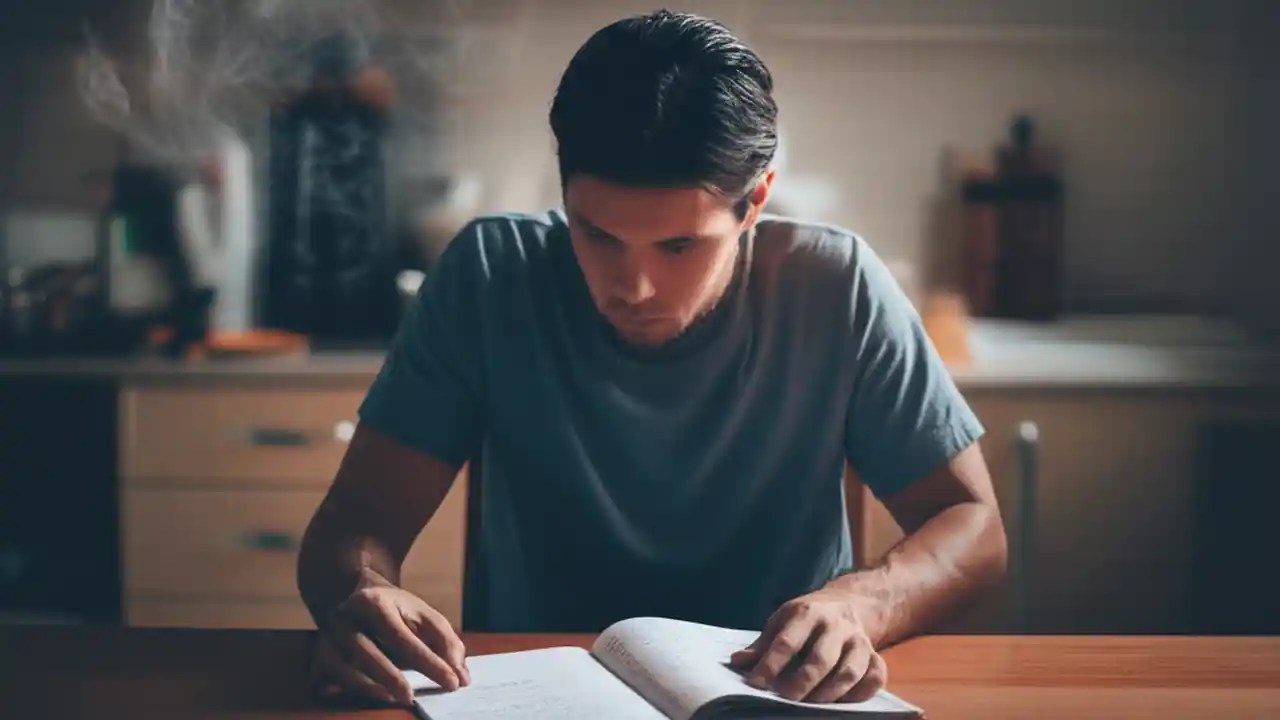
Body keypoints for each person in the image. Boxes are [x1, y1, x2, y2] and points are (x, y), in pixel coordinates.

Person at [297, 9, 1007, 709]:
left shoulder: (837, 286)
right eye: (598, 235)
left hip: (772, 697)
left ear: (755, 201)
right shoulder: (488, 275)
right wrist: (364, 592)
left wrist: (862, 605)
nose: (632, 288)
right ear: (564, 193)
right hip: (537, 701)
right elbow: (356, 526)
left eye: (679, 246)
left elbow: (971, 526)